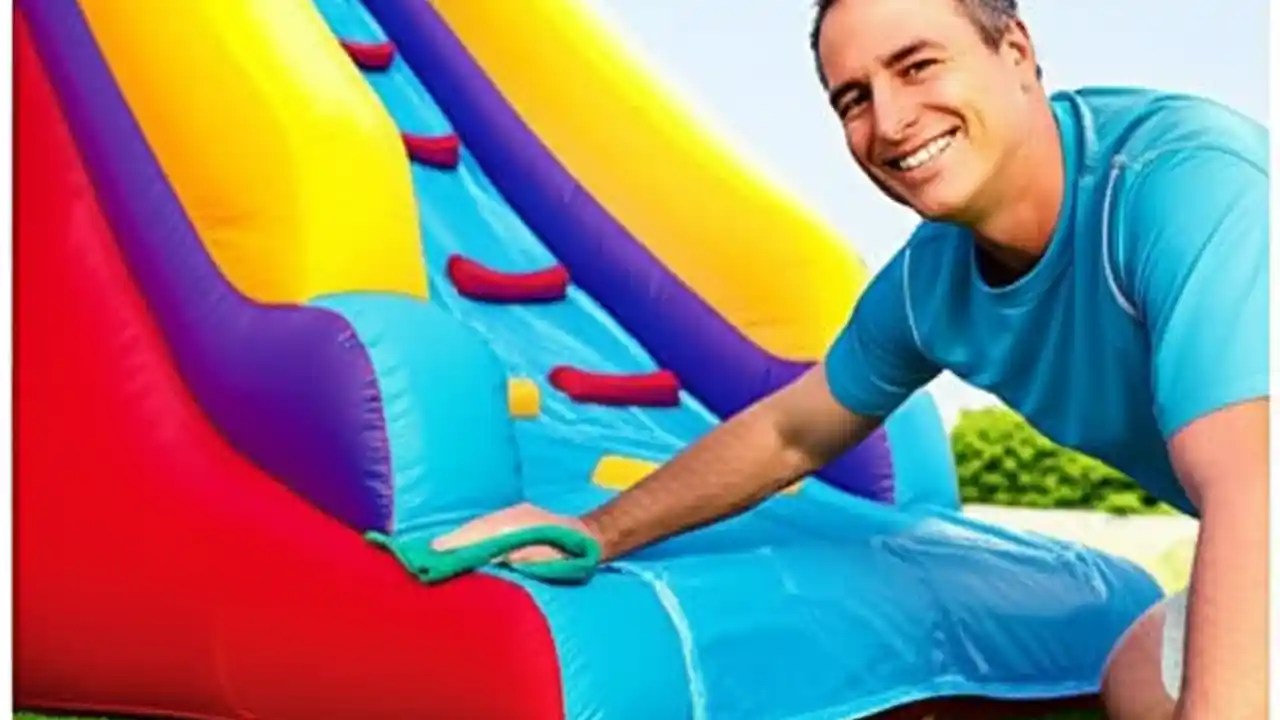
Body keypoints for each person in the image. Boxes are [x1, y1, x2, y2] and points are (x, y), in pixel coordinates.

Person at [436, 0, 1269, 717]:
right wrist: (593, 529)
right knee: (1139, 683)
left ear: (1016, 52)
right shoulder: (929, 282)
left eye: (918, 66)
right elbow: (793, 433)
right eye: (854, 99)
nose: (891, 121)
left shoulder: (1180, 185)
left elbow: (1250, 484)